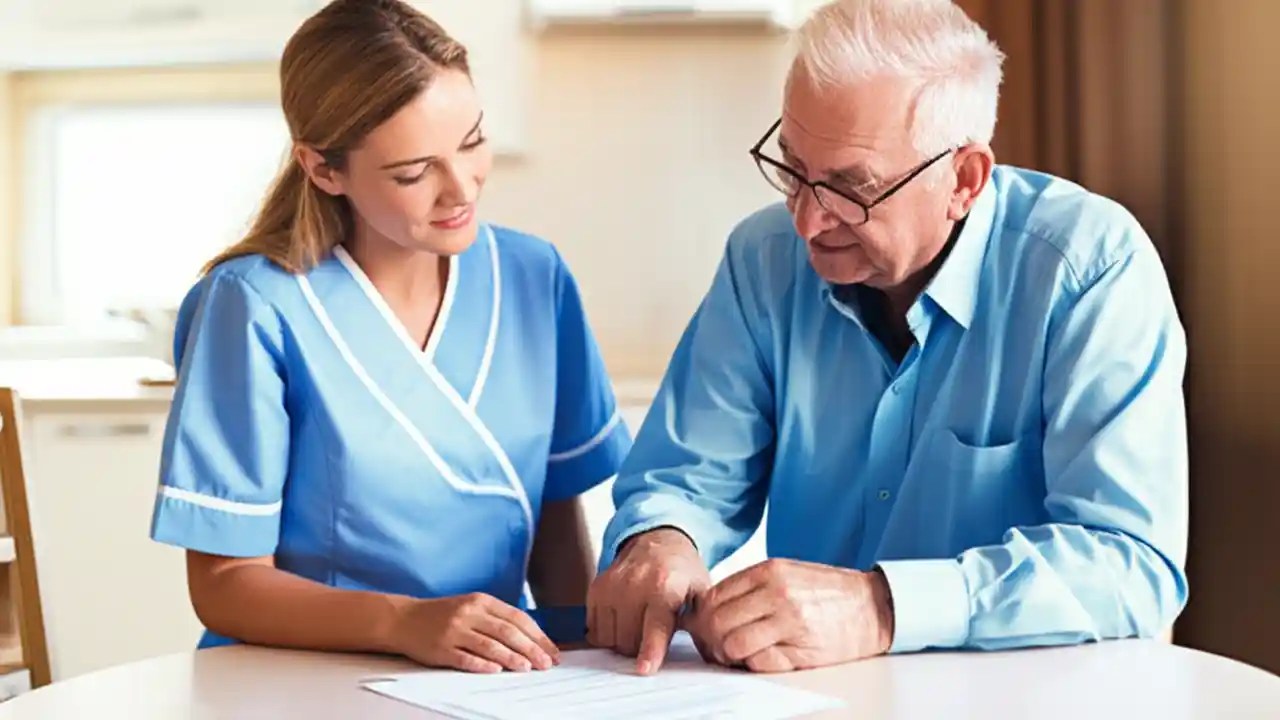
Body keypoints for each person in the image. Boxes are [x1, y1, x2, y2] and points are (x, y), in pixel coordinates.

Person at [588, 0, 1188, 675]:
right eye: (793, 168)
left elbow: (1129, 563)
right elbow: (687, 479)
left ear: (964, 179)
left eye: (851, 189)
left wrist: (882, 606)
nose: (810, 221)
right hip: (811, 697)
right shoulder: (762, 258)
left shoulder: (1089, 269)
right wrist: (661, 540)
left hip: (1030, 696)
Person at [149, 0, 630, 674]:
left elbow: (553, 513)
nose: (460, 188)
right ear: (323, 169)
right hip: (298, 680)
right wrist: (405, 622)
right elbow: (225, 586)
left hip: (488, 681)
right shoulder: (253, 304)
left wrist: (583, 657)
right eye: (413, 173)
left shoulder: (532, 276)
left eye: (472, 143)